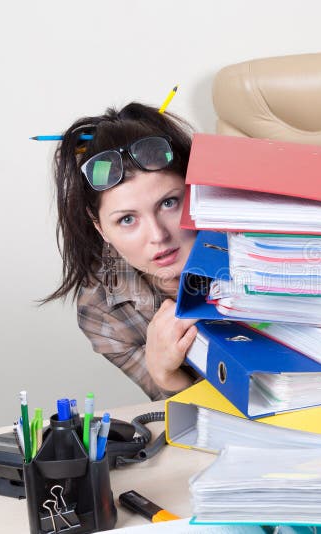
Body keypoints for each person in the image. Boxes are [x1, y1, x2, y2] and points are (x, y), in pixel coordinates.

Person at [44, 102, 200, 400]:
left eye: (169, 203)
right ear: (101, 228)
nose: (158, 235)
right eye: (127, 220)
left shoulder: (256, 246)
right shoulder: (102, 311)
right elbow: (192, 423)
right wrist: (165, 374)